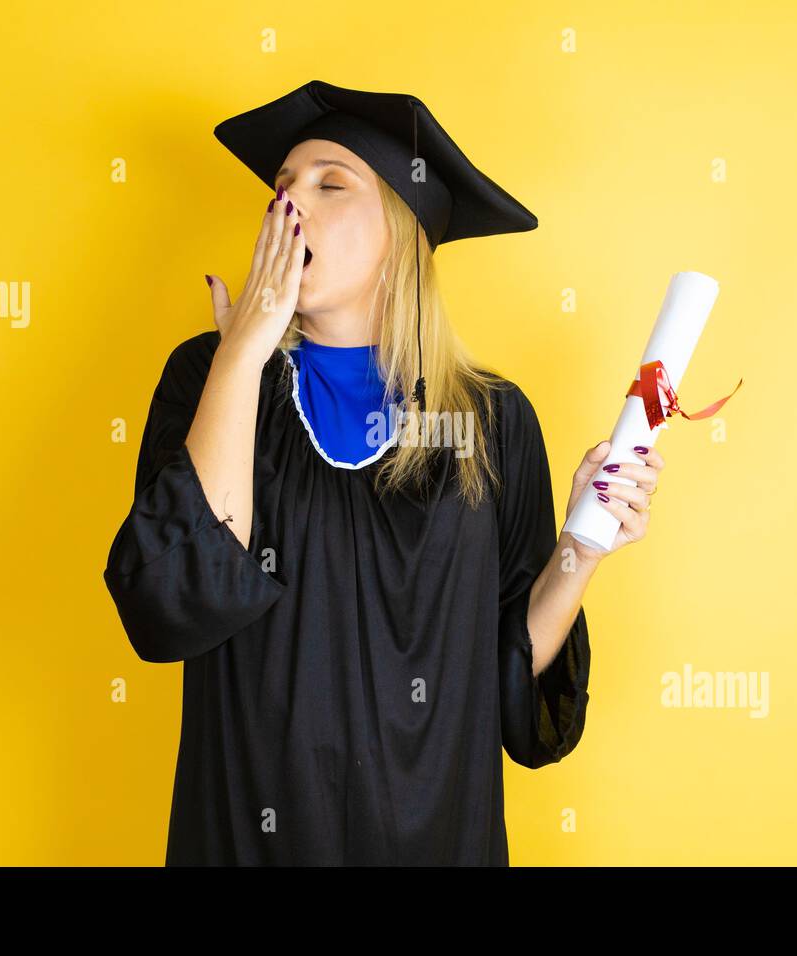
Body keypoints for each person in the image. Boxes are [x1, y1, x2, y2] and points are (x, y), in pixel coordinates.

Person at [102, 81, 664, 865]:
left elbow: (510, 687)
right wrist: (242, 355)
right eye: (281, 187)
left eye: (331, 182)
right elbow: (177, 601)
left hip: (437, 835)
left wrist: (584, 545)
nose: (290, 203)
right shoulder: (212, 378)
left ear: (404, 234)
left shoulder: (491, 422)